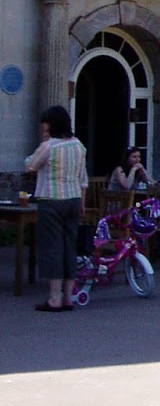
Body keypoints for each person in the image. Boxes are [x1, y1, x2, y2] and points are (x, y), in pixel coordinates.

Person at [25, 105, 88, 311]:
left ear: (51, 125)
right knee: (69, 246)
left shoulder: (49, 146)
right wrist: (82, 203)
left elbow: (31, 166)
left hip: (51, 199)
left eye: (46, 126)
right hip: (73, 198)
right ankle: (69, 297)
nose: (44, 129)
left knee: (53, 248)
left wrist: (36, 152)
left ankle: (54, 298)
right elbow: (83, 178)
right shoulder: (79, 145)